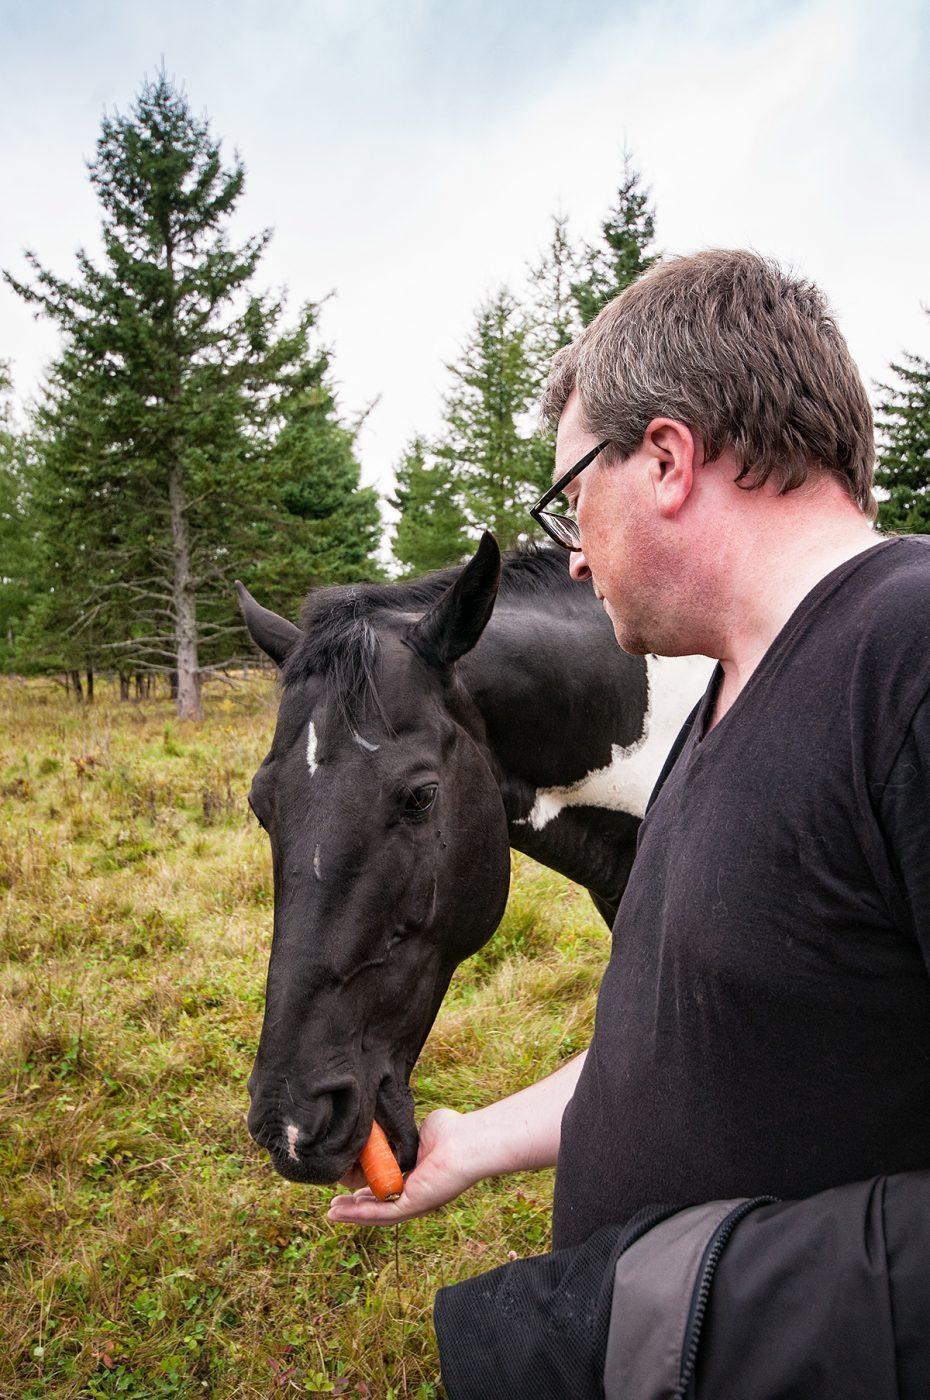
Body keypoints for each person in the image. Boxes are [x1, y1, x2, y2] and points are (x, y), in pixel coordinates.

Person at [326, 250, 930, 1389]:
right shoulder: (724, 699)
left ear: (664, 459)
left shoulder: (909, 657)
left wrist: (658, 1309)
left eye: (568, 495)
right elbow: (709, 1037)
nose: (566, 545)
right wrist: (481, 1139)